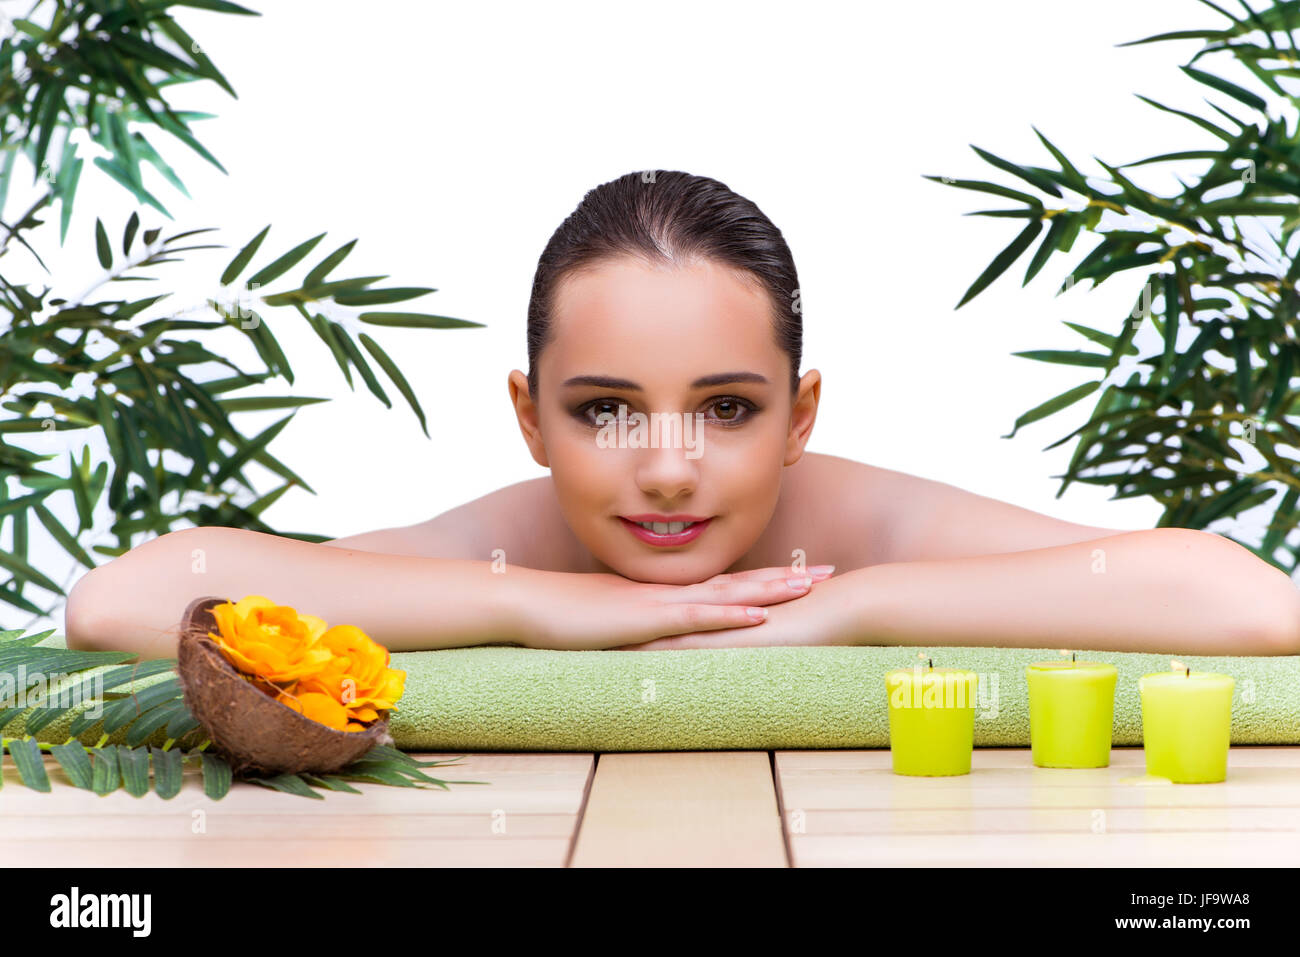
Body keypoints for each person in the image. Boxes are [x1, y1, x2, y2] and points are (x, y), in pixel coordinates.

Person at [64, 170, 1300, 659]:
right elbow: (122, 599)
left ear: (799, 415)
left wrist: (851, 604)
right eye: (604, 411)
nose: (666, 469)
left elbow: (1245, 602)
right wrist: (531, 599)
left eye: (725, 408)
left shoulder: (856, 519)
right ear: (530, 417)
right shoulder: (521, 541)